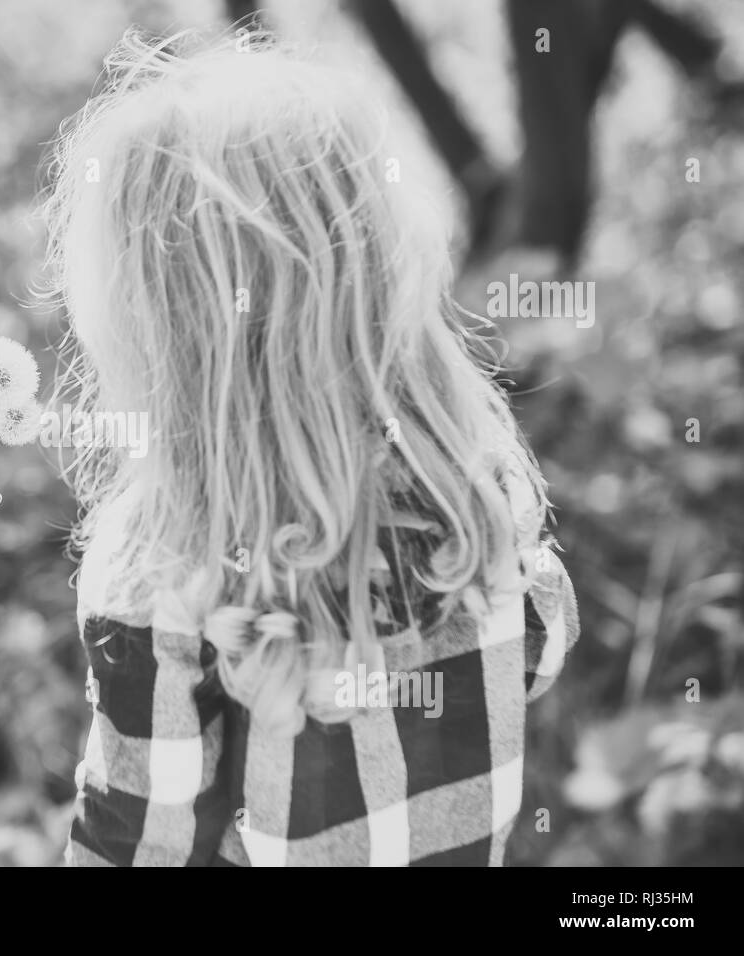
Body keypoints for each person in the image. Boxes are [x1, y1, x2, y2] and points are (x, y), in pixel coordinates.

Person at [42, 30, 579, 865]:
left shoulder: (163, 561)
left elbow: (138, 839)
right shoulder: (476, 484)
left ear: (151, 322)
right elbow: (536, 665)